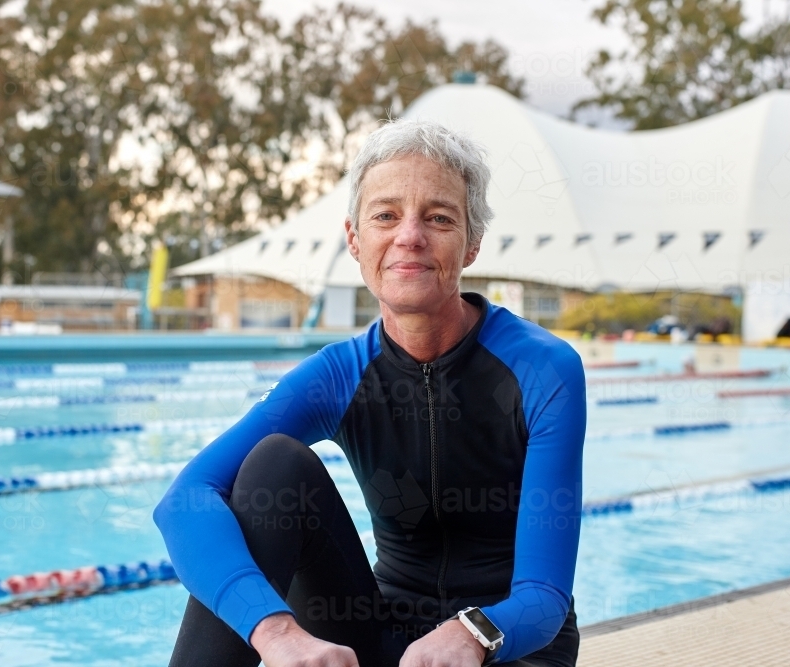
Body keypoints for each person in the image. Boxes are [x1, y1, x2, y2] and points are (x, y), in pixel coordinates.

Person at [154, 119, 586, 667]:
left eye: (439, 217)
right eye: (386, 215)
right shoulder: (338, 375)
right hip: (382, 638)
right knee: (274, 465)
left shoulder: (543, 369)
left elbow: (545, 598)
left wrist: (472, 635)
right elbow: (185, 500)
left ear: (472, 243)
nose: (410, 236)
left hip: (508, 646)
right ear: (355, 239)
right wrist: (275, 631)